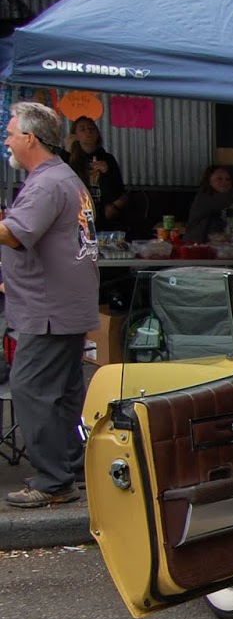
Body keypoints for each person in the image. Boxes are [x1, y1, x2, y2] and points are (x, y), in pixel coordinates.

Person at [0, 101, 99, 508]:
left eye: (9, 133)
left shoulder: (45, 183)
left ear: (29, 137)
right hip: (64, 302)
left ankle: (54, 479)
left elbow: (15, 234)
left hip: (49, 308)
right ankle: (70, 466)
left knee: (31, 389)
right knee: (61, 392)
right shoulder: (64, 177)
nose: (6, 140)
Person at [65, 116, 129, 232]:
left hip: (102, 217)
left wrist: (106, 174)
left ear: (98, 134)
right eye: (82, 129)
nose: (88, 131)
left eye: (91, 128)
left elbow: (118, 196)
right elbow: (58, 185)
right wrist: (66, 153)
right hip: (74, 216)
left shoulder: (107, 159)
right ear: (74, 136)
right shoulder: (67, 158)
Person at [184, 164, 233, 242]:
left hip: (225, 248)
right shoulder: (204, 197)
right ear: (209, 181)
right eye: (219, 179)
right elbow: (219, 202)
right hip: (198, 246)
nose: (225, 182)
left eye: (228, 179)